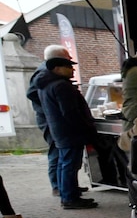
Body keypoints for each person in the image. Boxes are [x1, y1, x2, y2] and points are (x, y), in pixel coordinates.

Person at [34, 56, 100, 210]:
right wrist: (84, 126)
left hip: (58, 130)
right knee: (70, 164)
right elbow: (70, 112)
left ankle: (68, 193)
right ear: (57, 69)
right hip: (70, 132)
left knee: (64, 163)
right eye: (68, 67)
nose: (72, 70)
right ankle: (70, 198)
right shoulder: (62, 86)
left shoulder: (45, 85)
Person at [26, 44, 72, 196]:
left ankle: (65, 186)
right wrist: (49, 107)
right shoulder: (44, 74)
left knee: (61, 154)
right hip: (49, 119)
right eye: (67, 58)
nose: (70, 61)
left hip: (49, 117)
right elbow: (32, 94)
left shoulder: (46, 73)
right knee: (56, 152)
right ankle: (58, 186)